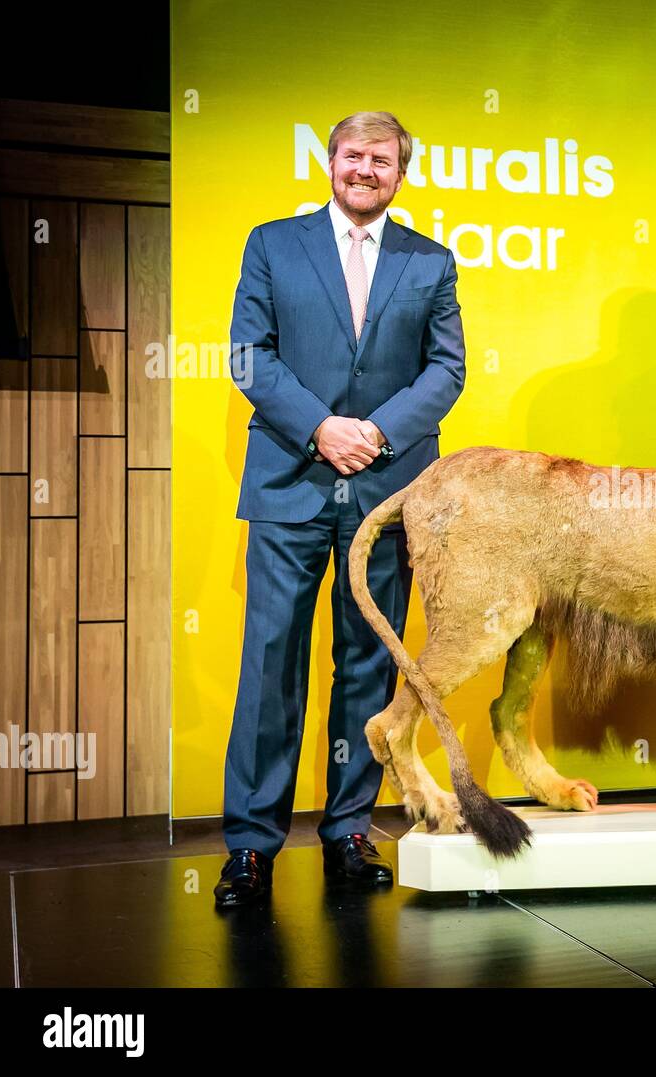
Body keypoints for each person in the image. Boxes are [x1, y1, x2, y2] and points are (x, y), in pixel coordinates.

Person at [215, 111, 466, 906]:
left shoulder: (431, 261)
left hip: (386, 493)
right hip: (289, 482)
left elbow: (447, 369)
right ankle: (252, 846)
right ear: (330, 162)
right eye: (353, 155)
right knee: (270, 667)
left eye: (382, 159)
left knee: (368, 661)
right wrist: (321, 427)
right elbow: (249, 354)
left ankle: (350, 830)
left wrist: (379, 433)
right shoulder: (272, 243)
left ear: (401, 172)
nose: (366, 169)